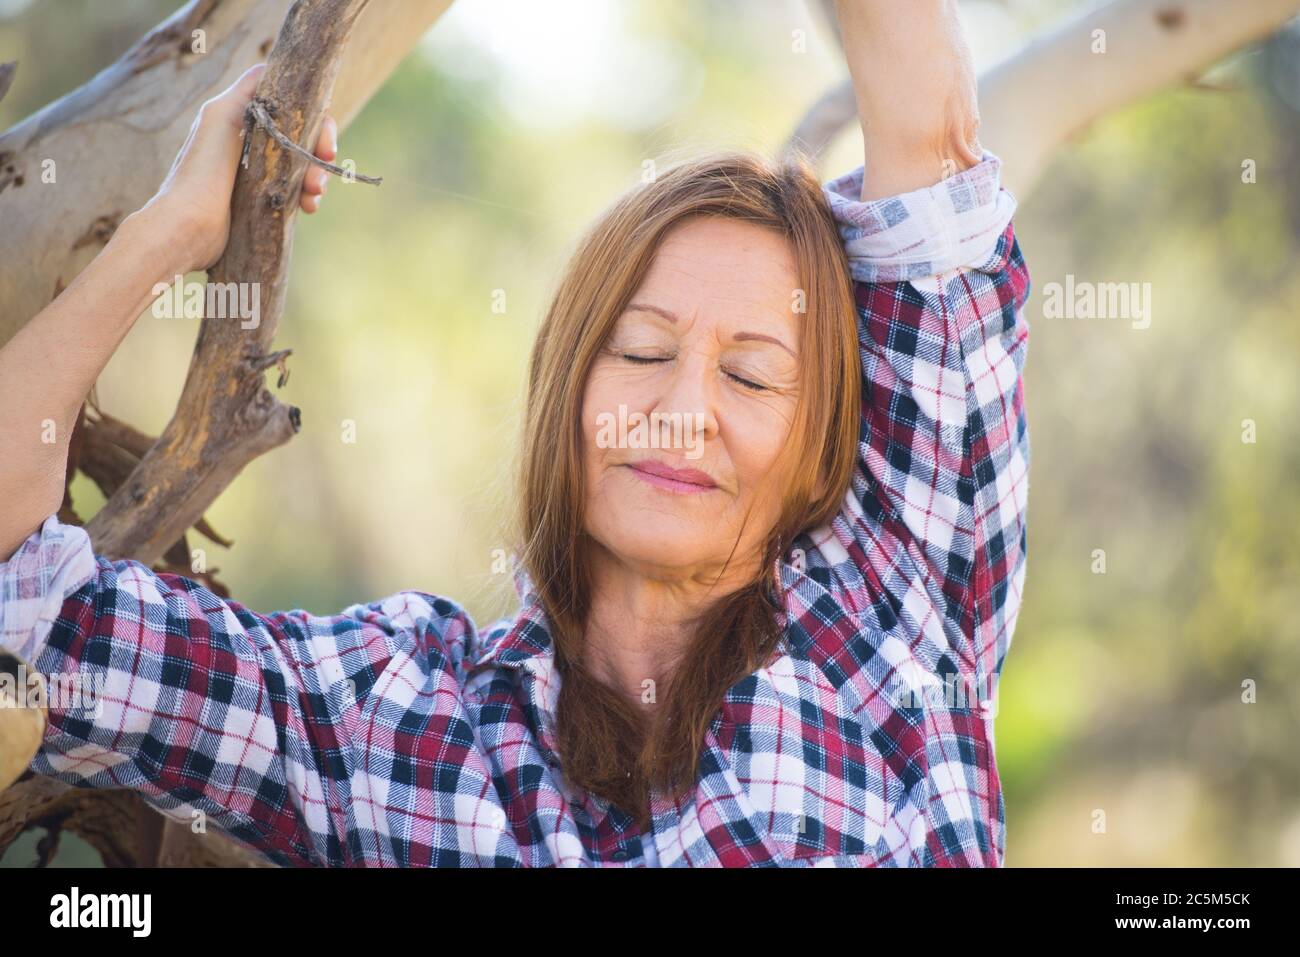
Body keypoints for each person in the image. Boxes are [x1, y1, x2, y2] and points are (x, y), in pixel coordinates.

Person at [0, 0, 1029, 866]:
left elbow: (926, 128)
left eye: (753, 375)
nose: (681, 411)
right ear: (566, 394)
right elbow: (25, 595)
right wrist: (165, 234)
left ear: (819, 452)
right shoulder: (396, 716)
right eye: (637, 352)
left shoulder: (895, 604)